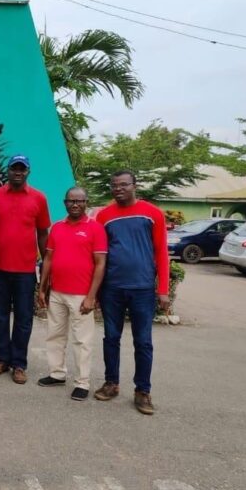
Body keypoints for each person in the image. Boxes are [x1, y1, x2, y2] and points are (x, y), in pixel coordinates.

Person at [95, 170, 170, 415]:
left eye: (124, 184)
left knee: (143, 342)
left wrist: (163, 289)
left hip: (142, 289)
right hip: (112, 289)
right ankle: (111, 383)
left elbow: (161, 253)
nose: (119, 189)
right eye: (114, 185)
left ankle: (143, 391)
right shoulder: (104, 216)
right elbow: (98, 255)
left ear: (134, 186)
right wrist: (94, 291)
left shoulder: (152, 213)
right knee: (111, 338)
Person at [0, 154, 51, 384]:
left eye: (22, 169)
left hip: (25, 270)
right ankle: (2, 359)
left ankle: (19, 363)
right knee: (0, 316)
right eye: (14, 168)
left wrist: (46, 264)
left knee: (24, 319)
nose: (17, 172)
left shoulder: (39, 198)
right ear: (8, 170)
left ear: (28, 172)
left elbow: (43, 233)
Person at [36, 187, 107, 400]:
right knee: (55, 335)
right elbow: (48, 258)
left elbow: (100, 263)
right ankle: (57, 373)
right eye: (71, 201)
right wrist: (42, 287)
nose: (75, 204)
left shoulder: (95, 228)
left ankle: (82, 382)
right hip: (56, 292)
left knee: (82, 340)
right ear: (65, 203)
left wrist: (92, 296)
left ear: (86, 202)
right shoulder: (57, 227)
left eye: (80, 201)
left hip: (81, 295)